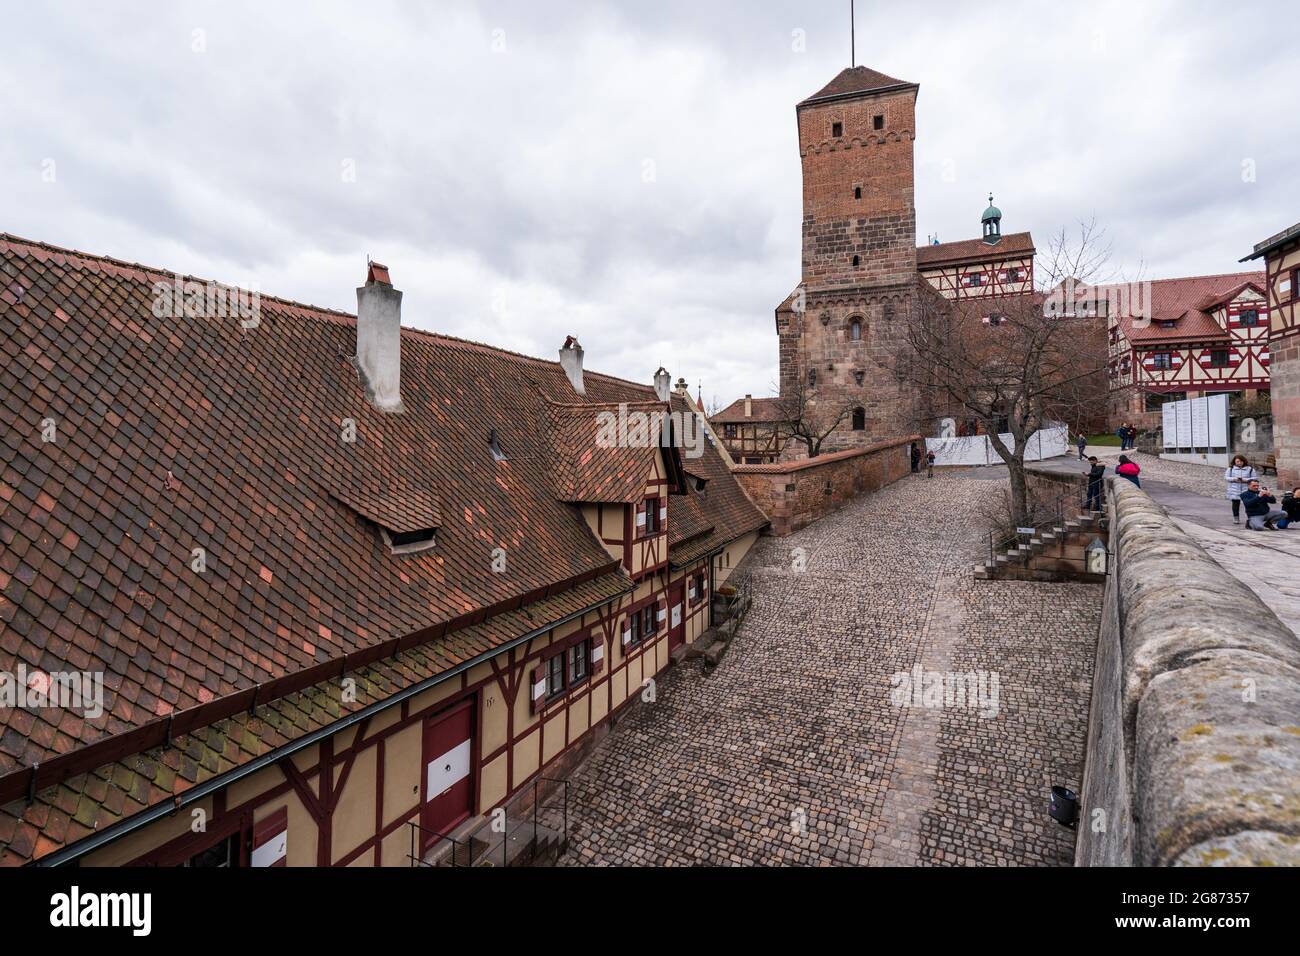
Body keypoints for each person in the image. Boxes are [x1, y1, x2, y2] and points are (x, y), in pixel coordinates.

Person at [1223, 454, 1258, 525]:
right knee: (1235, 504)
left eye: (1240, 461)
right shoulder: (1231, 469)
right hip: (1234, 489)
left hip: (1246, 489)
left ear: (1243, 461)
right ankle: (1236, 518)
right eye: (1237, 461)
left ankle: (1250, 518)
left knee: (1248, 505)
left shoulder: (1250, 469)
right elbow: (1226, 477)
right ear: (1234, 462)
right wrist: (1234, 479)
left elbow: (1254, 478)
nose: (1239, 463)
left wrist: (1245, 480)